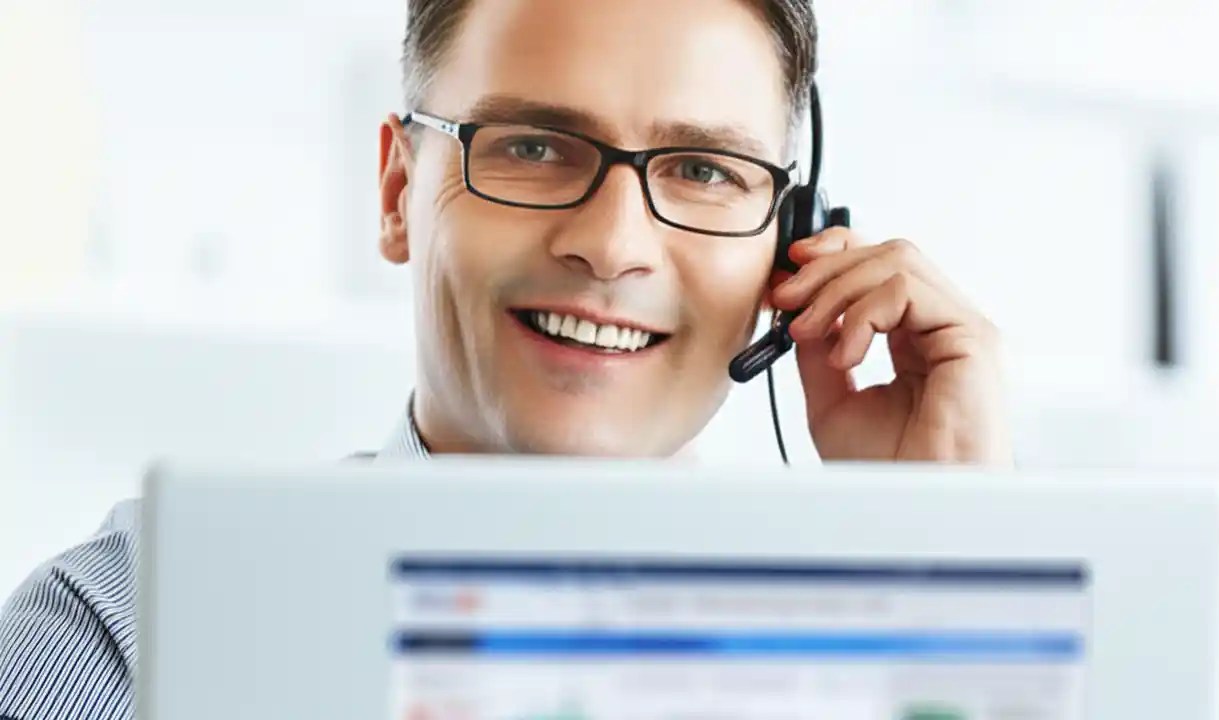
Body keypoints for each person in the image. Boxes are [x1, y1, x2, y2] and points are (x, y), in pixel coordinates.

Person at [0, 0, 1011, 717]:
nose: (612, 245)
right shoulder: (136, 632)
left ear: (792, 237)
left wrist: (949, 575)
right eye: (532, 146)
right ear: (399, 192)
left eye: (703, 169)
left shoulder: (889, 656)